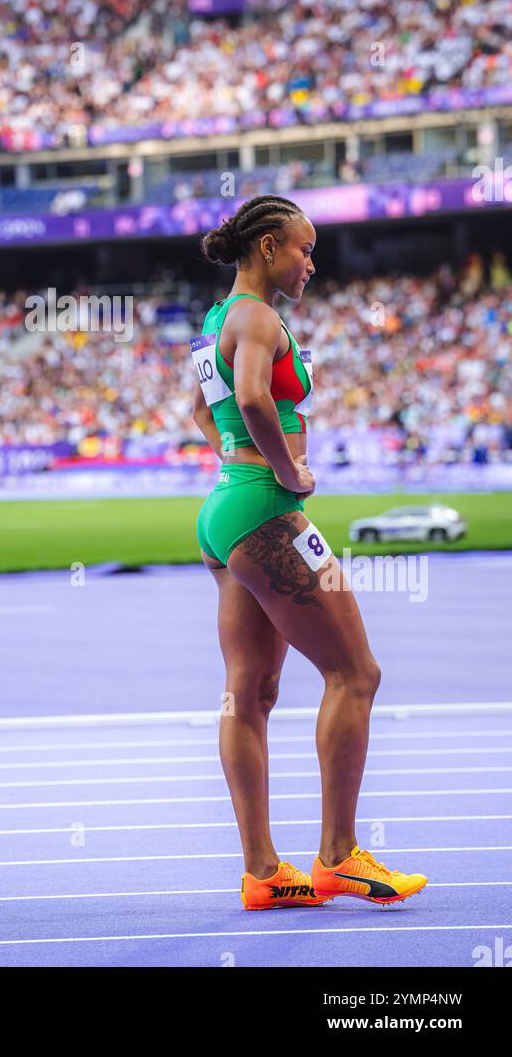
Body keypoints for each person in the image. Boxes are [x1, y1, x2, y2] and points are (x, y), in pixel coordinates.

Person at [190, 195, 428, 910]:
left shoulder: (214, 322)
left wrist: (238, 466)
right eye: (303, 249)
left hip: (225, 510)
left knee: (250, 692)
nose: (311, 264)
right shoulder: (259, 319)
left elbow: (205, 412)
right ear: (267, 247)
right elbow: (258, 400)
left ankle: (263, 872)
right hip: (267, 509)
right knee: (356, 672)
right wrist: (286, 475)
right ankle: (338, 856)